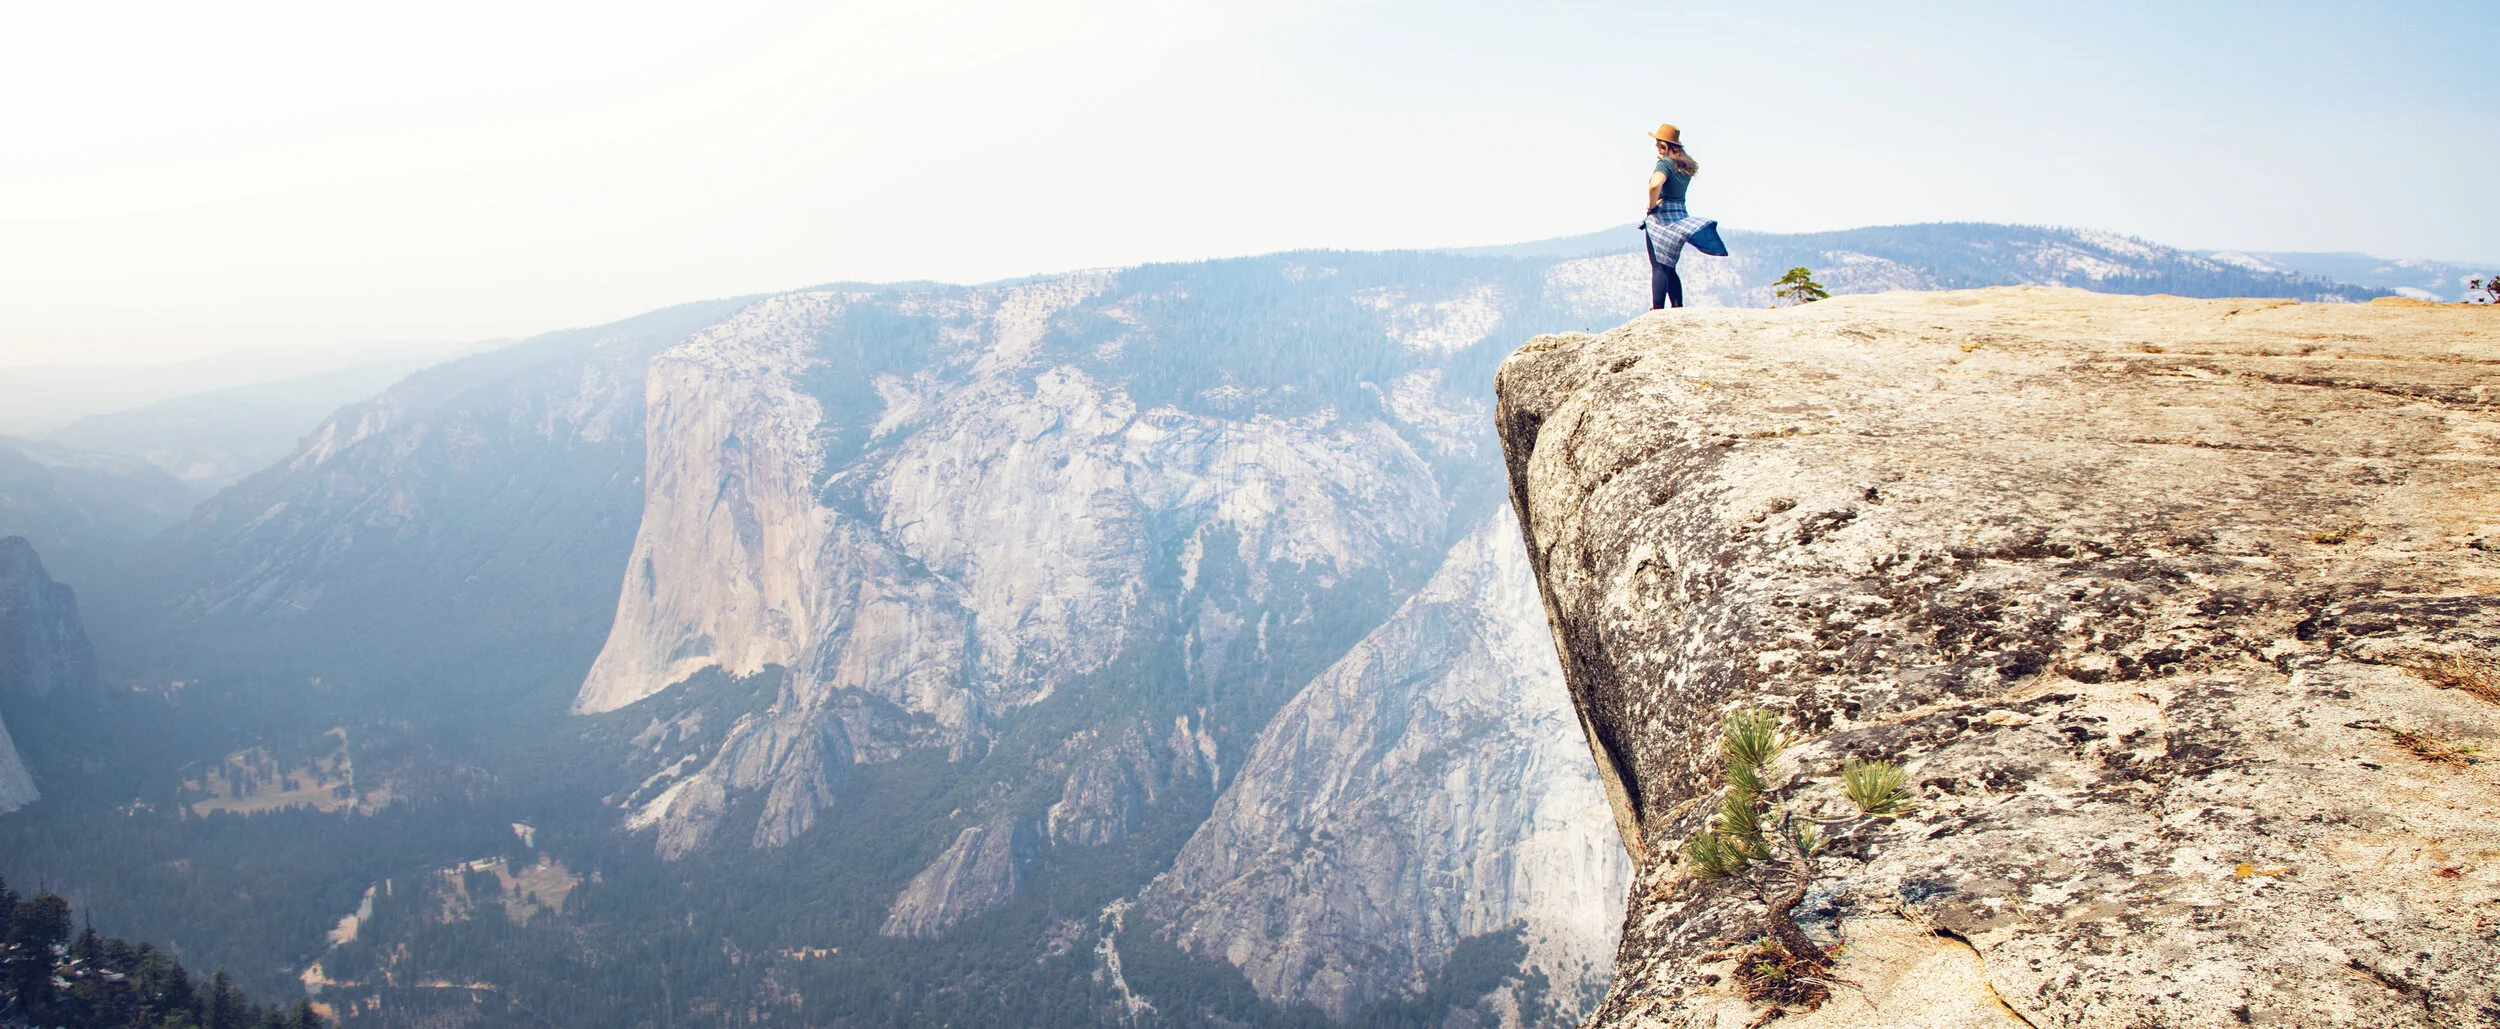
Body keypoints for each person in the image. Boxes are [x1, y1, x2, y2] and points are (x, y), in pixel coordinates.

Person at [1641, 124, 1728, 309]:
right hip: (1680, 214)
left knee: (1659, 265)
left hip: (1662, 216)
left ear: (1664, 145)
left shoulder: (1665, 164)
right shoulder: (1683, 166)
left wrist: (1651, 206)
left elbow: (1654, 185)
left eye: (1657, 143)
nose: (1655, 146)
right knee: (1670, 265)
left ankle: (1657, 309)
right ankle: (1677, 307)